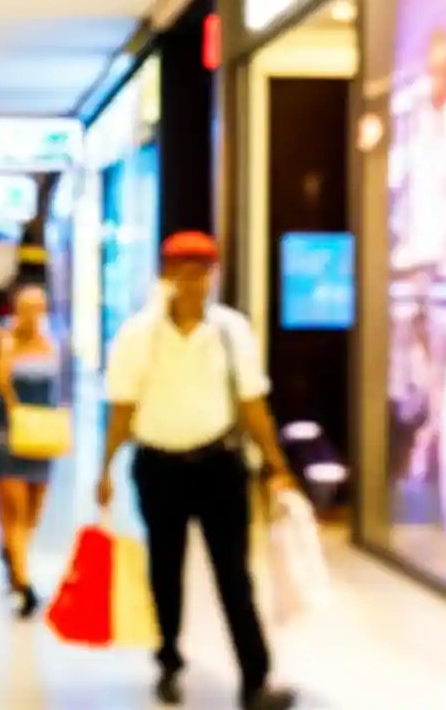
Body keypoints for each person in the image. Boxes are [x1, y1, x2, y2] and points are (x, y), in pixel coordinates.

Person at [97, 231, 298, 710]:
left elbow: (252, 403)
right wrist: (105, 467)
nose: (192, 283)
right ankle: (168, 662)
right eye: (182, 272)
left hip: (219, 465)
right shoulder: (137, 335)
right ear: (165, 274)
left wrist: (277, 465)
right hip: (158, 467)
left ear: (213, 275)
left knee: (234, 575)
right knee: (164, 569)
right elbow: (122, 408)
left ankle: (255, 679)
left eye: (201, 273)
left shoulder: (231, 330)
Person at [0, 285, 57, 618]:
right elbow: (1, 384)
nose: (32, 315)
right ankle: (23, 582)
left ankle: (12, 553)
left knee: (33, 510)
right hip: (8, 431)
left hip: (42, 432)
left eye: (38, 308)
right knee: (13, 506)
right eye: (26, 308)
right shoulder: (6, 342)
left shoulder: (52, 343)